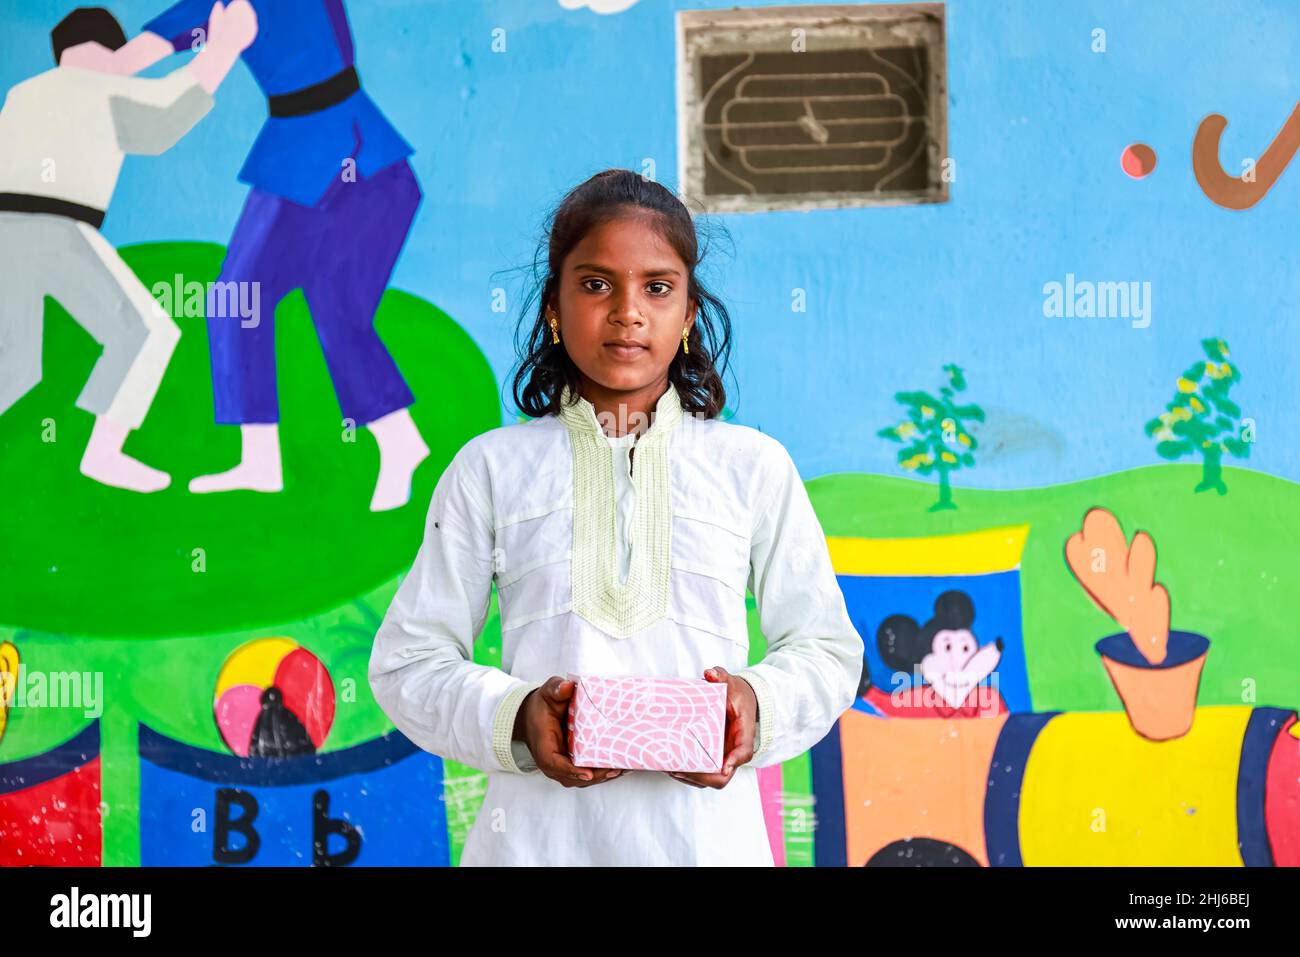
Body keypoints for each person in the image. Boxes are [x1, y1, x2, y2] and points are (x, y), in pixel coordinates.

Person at [369, 169, 864, 866]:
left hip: (708, 846)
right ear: (553, 307)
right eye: (596, 284)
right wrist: (517, 716)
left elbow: (828, 652)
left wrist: (754, 704)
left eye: (657, 288)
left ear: (688, 313)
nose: (628, 311)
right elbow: (407, 663)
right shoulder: (492, 469)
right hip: (537, 847)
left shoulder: (752, 467)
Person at [118, 0, 429, 510]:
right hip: (306, 163)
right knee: (238, 300)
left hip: (361, 165)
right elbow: (140, 53)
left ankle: (396, 444)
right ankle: (263, 460)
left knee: (330, 306)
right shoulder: (217, 5)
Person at [0, 3, 256, 492]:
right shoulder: (100, 86)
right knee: (145, 332)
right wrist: (223, 49)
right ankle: (104, 453)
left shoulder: (22, 92)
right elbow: (163, 116)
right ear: (112, 51)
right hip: (57, 227)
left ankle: (104, 452)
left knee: (13, 360)